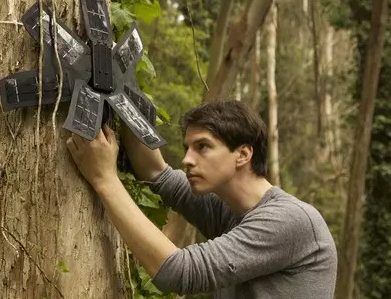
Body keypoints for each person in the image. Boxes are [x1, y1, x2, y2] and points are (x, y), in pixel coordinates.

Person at [65, 100, 337, 298]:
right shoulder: (232, 209)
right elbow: (157, 174)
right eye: (187, 148)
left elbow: (178, 272)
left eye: (202, 147)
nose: (187, 159)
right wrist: (120, 95)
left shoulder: (289, 220)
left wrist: (105, 180)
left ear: (243, 154)